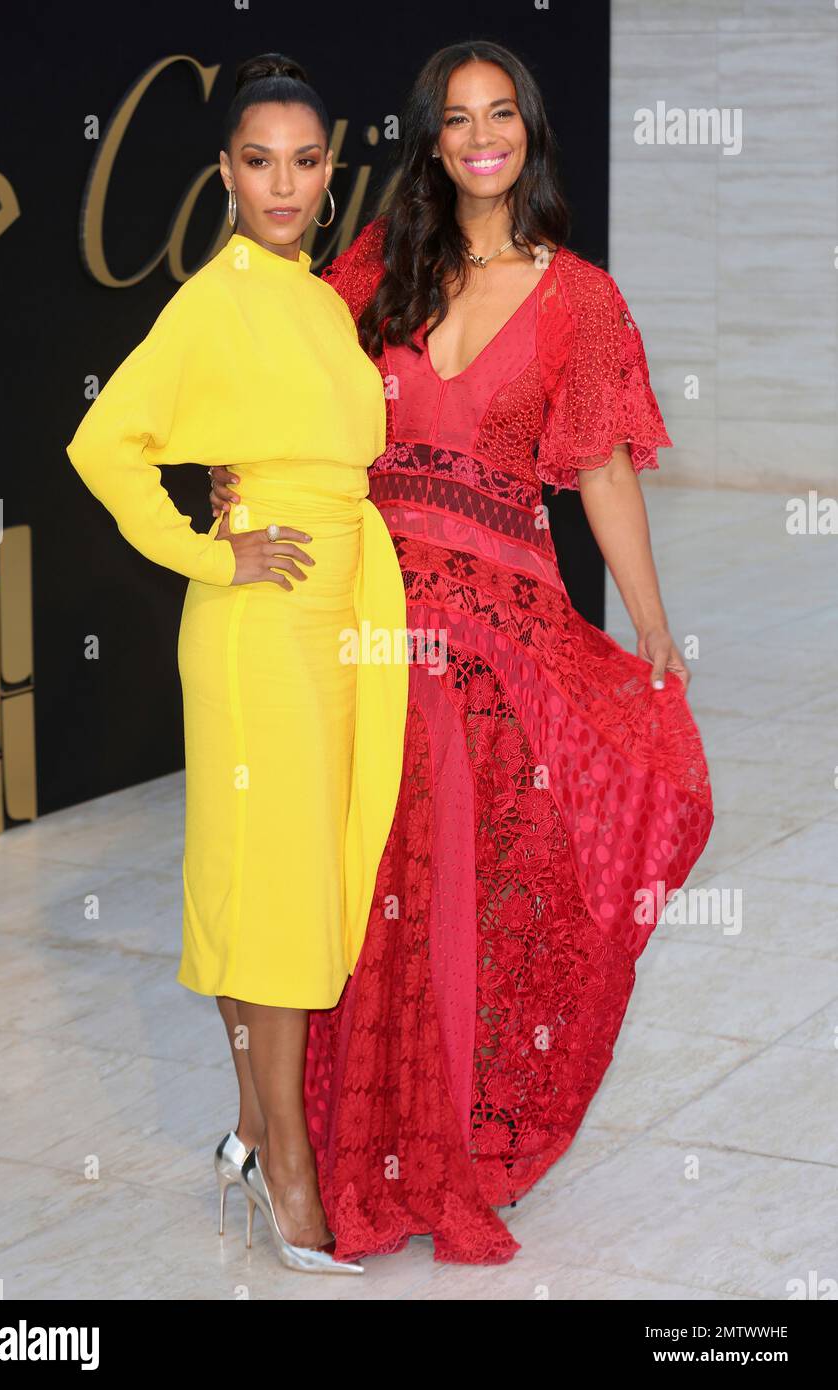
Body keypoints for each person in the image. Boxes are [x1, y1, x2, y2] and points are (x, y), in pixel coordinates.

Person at [213, 40, 714, 1266]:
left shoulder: (579, 298)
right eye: (455, 118)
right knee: (306, 844)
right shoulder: (378, 264)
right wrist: (232, 476)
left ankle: (410, 1139)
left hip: (489, 598)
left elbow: (597, 465)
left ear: (527, 134)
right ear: (430, 140)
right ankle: (290, 1128)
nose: (479, 135)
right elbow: (292, 386)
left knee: (436, 754)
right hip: (360, 583)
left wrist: (648, 620)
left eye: (500, 114)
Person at [66, 53, 407, 1274]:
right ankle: (291, 1175)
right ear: (223, 172)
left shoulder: (318, 299)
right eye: (257, 161)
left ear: (328, 172)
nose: (282, 183)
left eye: (304, 161)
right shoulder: (214, 297)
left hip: (335, 622)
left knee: (290, 881)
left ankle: (259, 1134)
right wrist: (212, 553)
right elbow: (105, 443)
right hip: (258, 631)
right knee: (272, 898)